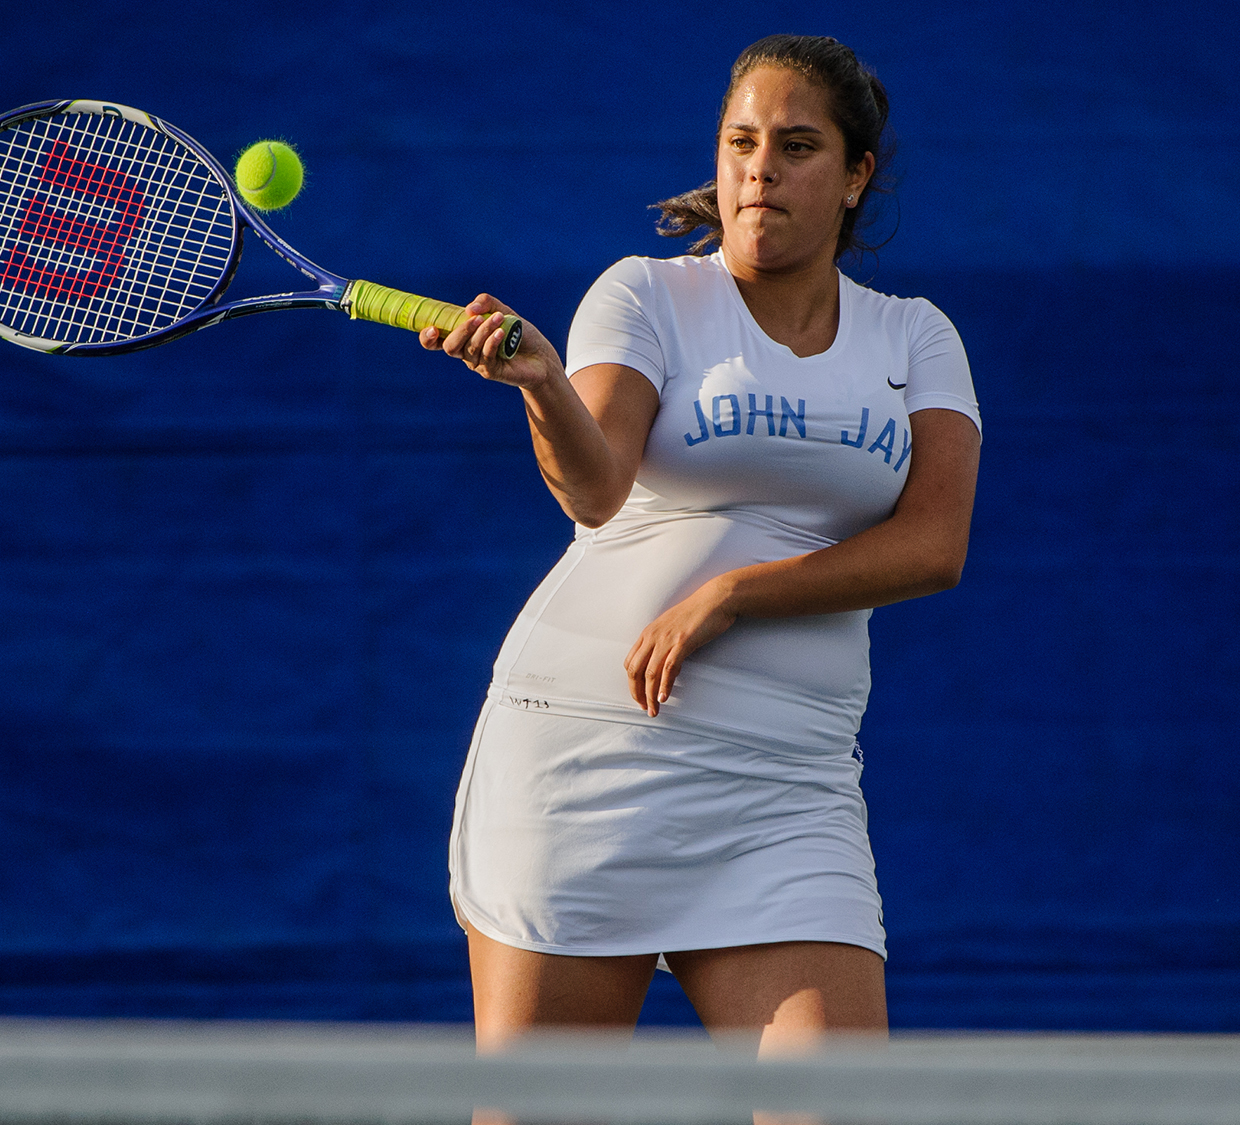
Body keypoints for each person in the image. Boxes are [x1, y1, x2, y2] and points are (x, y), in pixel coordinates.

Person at [419, 34, 981, 1057]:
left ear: (856, 176)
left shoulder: (914, 338)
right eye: (741, 142)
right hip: (585, 758)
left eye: (797, 146)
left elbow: (933, 546)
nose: (760, 168)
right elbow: (594, 491)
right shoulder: (643, 295)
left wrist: (730, 595)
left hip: (786, 790)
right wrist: (545, 387)